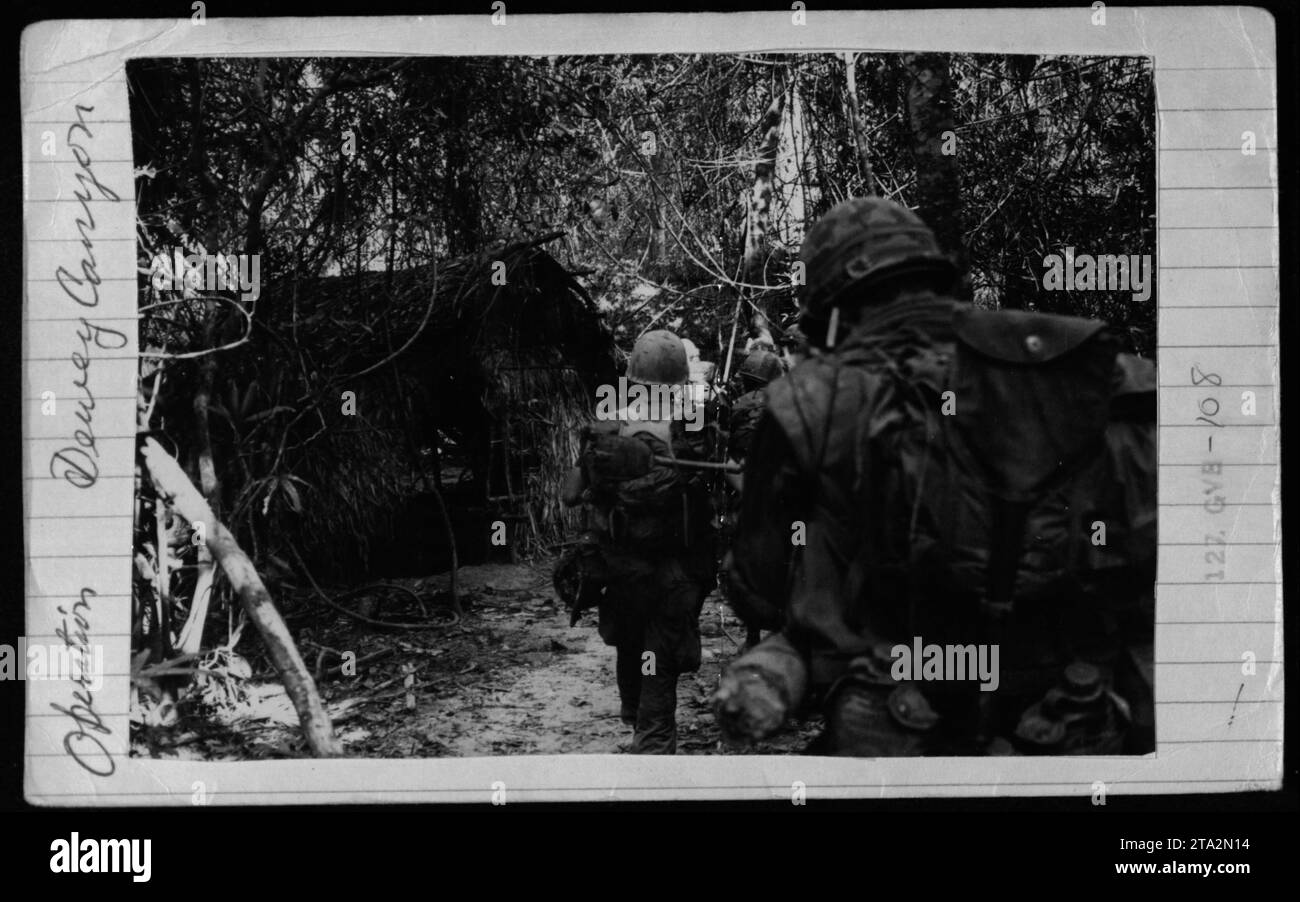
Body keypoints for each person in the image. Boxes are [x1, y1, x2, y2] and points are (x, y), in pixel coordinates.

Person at [713, 197, 1156, 757]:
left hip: (899, 726)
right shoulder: (1097, 381)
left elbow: (760, 590)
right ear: (937, 278)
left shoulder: (812, 398)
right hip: (1077, 722)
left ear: (831, 310)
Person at [560, 330, 714, 754]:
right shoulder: (693, 427)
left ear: (632, 376)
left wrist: (584, 450)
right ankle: (652, 741)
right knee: (660, 660)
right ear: (681, 379)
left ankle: (636, 719)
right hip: (676, 571)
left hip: (624, 568)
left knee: (630, 644)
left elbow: (570, 494)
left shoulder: (611, 425)